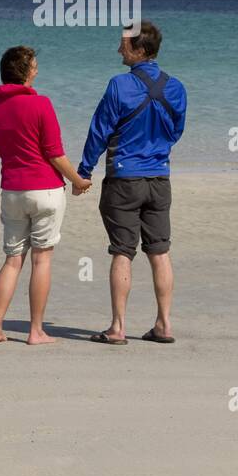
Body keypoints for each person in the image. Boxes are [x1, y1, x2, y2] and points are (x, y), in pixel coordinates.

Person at [77, 21, 186, 344]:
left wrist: (84, 171)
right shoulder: (176, 87)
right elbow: (175, 131)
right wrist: (156, 151)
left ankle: (117, 327)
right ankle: (164, 324)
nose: (118, 49)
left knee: (122, 252)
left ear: (139, 50)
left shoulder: (119, 85)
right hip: (159, 177)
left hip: (125, 178)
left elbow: (100, 130)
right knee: (160, 251)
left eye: (123, 44)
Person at [0, 45, 91, 345]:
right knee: (41, 261)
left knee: (12, 260)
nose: (38, 70)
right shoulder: (41, 104)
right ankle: (36, 331)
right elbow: (55, 154)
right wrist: (78, 180)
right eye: (35, 66)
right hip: (45, 190)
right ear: (26, 72)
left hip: (13, 190)